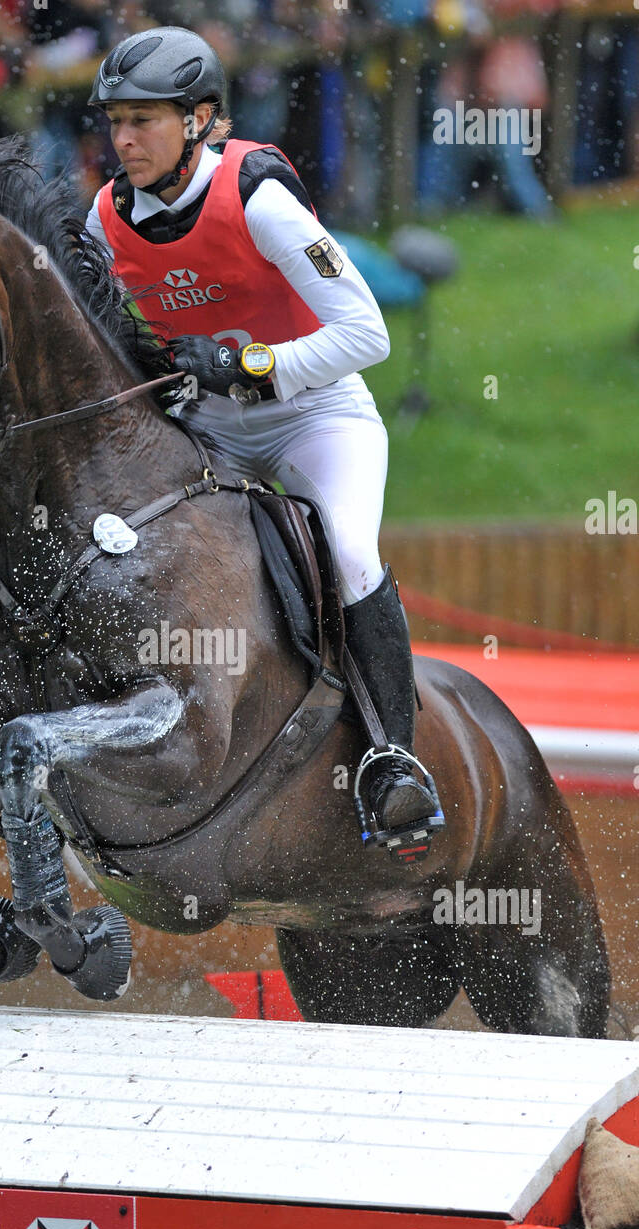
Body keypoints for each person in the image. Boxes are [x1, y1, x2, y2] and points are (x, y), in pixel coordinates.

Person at [83, 26, 441, 839]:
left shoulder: (255, 195)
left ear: (202, 120)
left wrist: (250, 364)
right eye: (116, 122)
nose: (125, 139)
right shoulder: (106, 218)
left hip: (316, 415)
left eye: (145, 120)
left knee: (348, 551)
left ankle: (395, 760)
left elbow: (368, 337)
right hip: (206, 427)